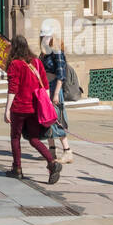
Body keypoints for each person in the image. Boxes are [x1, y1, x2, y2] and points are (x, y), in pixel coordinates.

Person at [4, 35, 61, 184]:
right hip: (35, 108)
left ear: (14, 47)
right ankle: (52, 162)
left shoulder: (15, 64)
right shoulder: (36, 61)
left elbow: (13, 89)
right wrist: (46, 105)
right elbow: (45, 86)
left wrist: (7, 109)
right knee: (34, 139)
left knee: (15, 137)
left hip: (19, 107)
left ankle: (17, 169)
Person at [41, 35, 73, 163]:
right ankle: (52, 150)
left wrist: (56, 93)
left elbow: (61, 75)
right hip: (46, 88)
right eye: (42, 36)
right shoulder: (44, 53)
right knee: (47, 119)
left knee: (58, 119)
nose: (43, 38)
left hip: (55, 88)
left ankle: (67, 151)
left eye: (46, 36)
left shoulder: (57, 52)